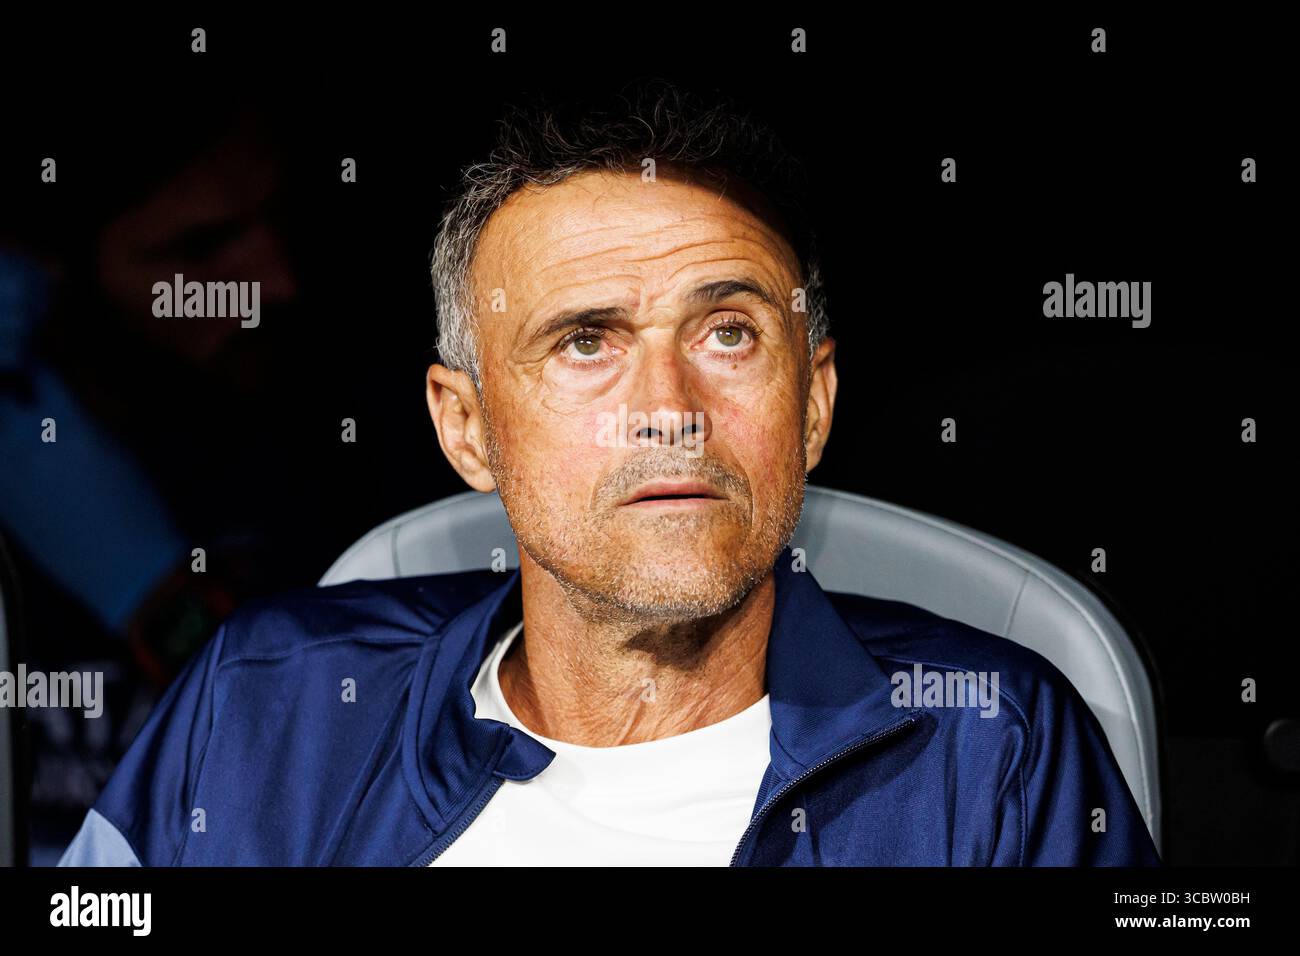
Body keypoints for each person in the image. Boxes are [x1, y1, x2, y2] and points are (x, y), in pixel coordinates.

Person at [58, 78, 1160, 866]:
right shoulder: (266, 699)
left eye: (727, 333)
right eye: (585, 340)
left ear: (813, 402)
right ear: (466, 426)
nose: (671, 412)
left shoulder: (991, 744)